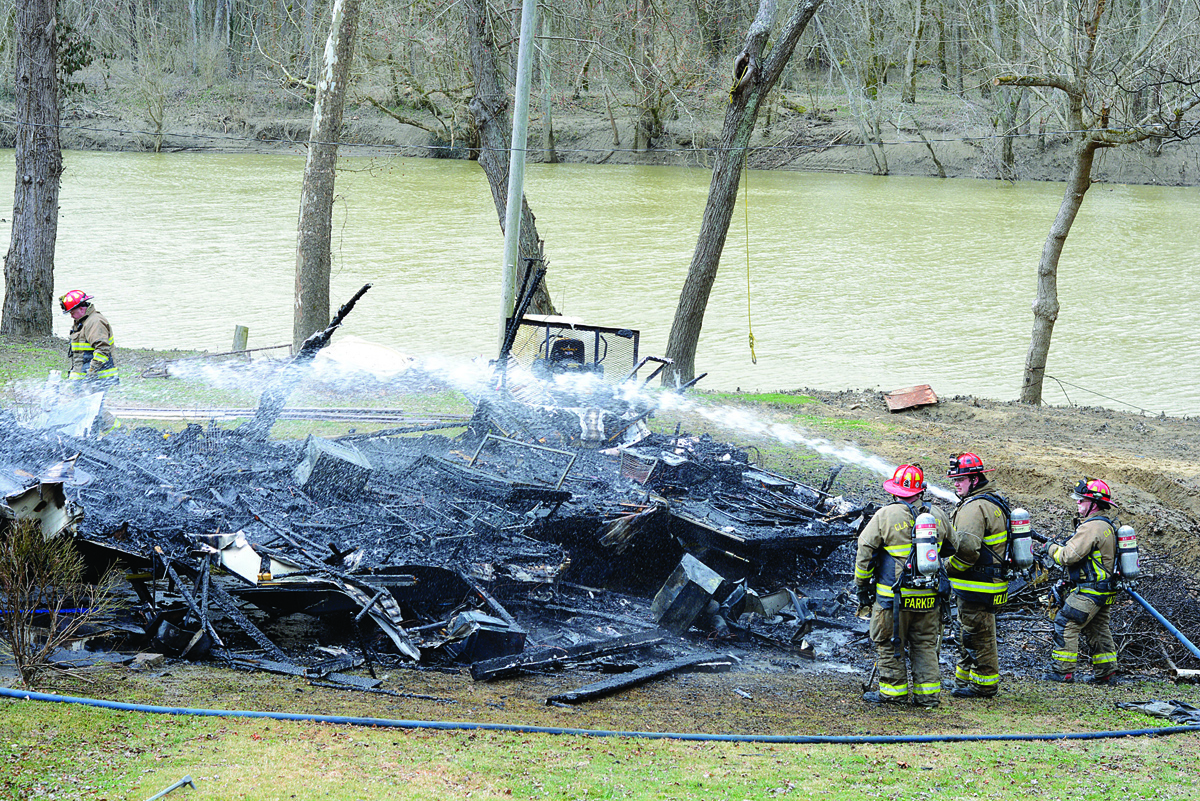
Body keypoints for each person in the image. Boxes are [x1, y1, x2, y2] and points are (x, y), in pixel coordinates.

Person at [854, 464, 952, 708]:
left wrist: (862, 588)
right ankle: (927, 696)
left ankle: (893, 693)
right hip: (929, 598)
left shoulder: (885, 515)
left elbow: (864, 551)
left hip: (892, 601)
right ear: (921, 491)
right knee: (925, 645)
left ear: (893, 491)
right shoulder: (937, 515)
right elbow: (955, 546)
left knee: (889, 643)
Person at [1039, 478, 1120, 684]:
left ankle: (1062, 672)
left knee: (1066, 623)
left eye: (1082, 500)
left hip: (1090, 591)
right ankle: (1106, 673)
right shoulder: (1105, 525)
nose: (1078, 503)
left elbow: (1068, 556)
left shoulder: (1092, 527)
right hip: (1104, 590)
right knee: (1098, 629)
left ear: (1094, 504)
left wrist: (1049, 548)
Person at [942, 452, 1010, 699]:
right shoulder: (992, 500)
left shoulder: (974, 507)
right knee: (969, 632)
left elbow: (968, 551)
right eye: (954, 479)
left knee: (978, 635)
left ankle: (983, 685)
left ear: (974, 479)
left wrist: (944, 569)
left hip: (977, 585)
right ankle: (964, 680)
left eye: (960, 479)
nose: (956, 484)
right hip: (987, 583)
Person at [60, 290, 119, 390]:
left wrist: (91, 371)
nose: (71, 315)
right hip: (86, 378)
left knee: (91, 405)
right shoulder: (83, 322)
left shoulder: (95, 322)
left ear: (82, 308)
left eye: (72, 312)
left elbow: (102, 349)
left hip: (98, 378)